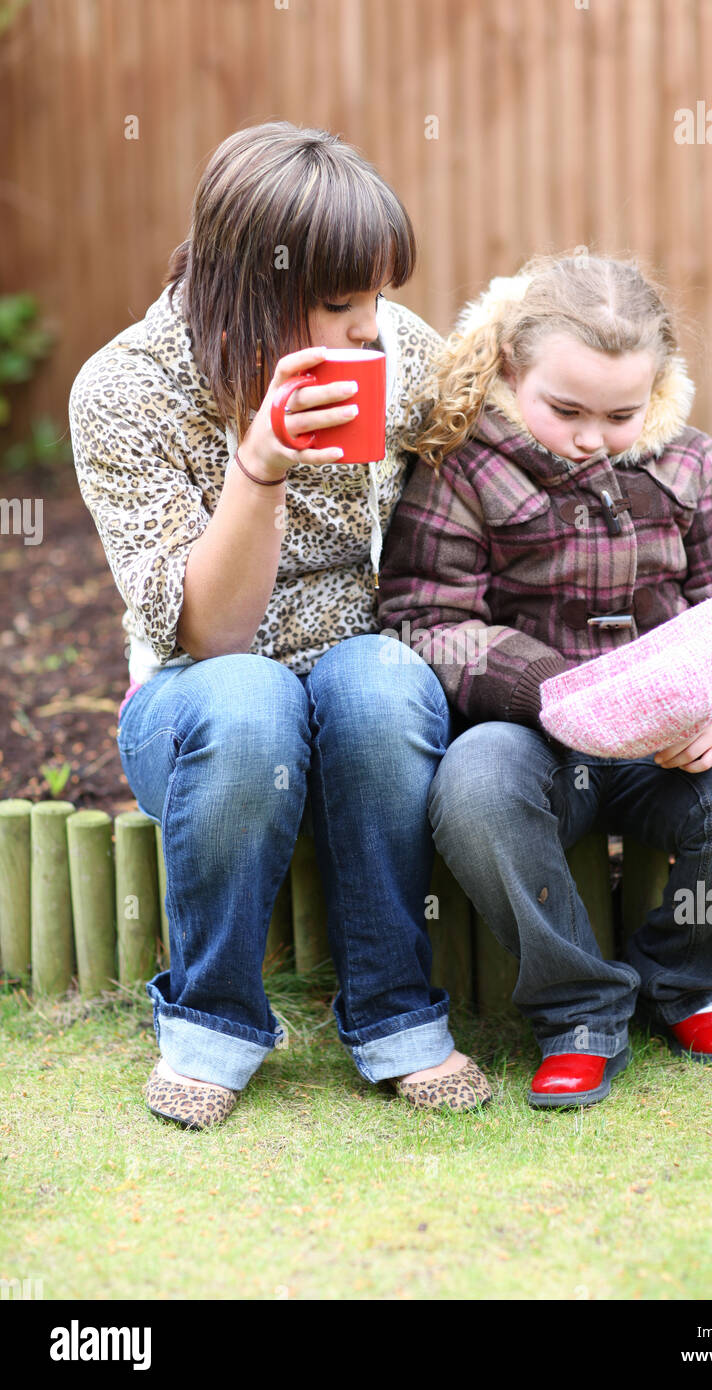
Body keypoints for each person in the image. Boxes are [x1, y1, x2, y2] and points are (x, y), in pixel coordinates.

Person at [68, 121, 492, 1128]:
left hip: (357, 687)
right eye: (341, 304)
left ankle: (394, 1015)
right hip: (199, 704)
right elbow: (209, 641)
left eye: (381, 296)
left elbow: (491, 447)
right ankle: (211, 1022)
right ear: (245, 290)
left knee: (380, 678)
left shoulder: (390, 348)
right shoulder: (125, 390)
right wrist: (255, 468)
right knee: (252, 698)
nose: (371, 329)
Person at [377, 250, 712, 1108]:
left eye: (621, 413)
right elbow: (423, 619)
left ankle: (680, 983)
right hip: (533, 736)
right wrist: (550, 689)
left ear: (659, 389)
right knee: (474, 789)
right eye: (564, 409)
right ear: (510, 369)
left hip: (670, 743)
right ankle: (578, 1008)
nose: (589, 436)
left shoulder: (688, 465)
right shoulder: (467, 464)